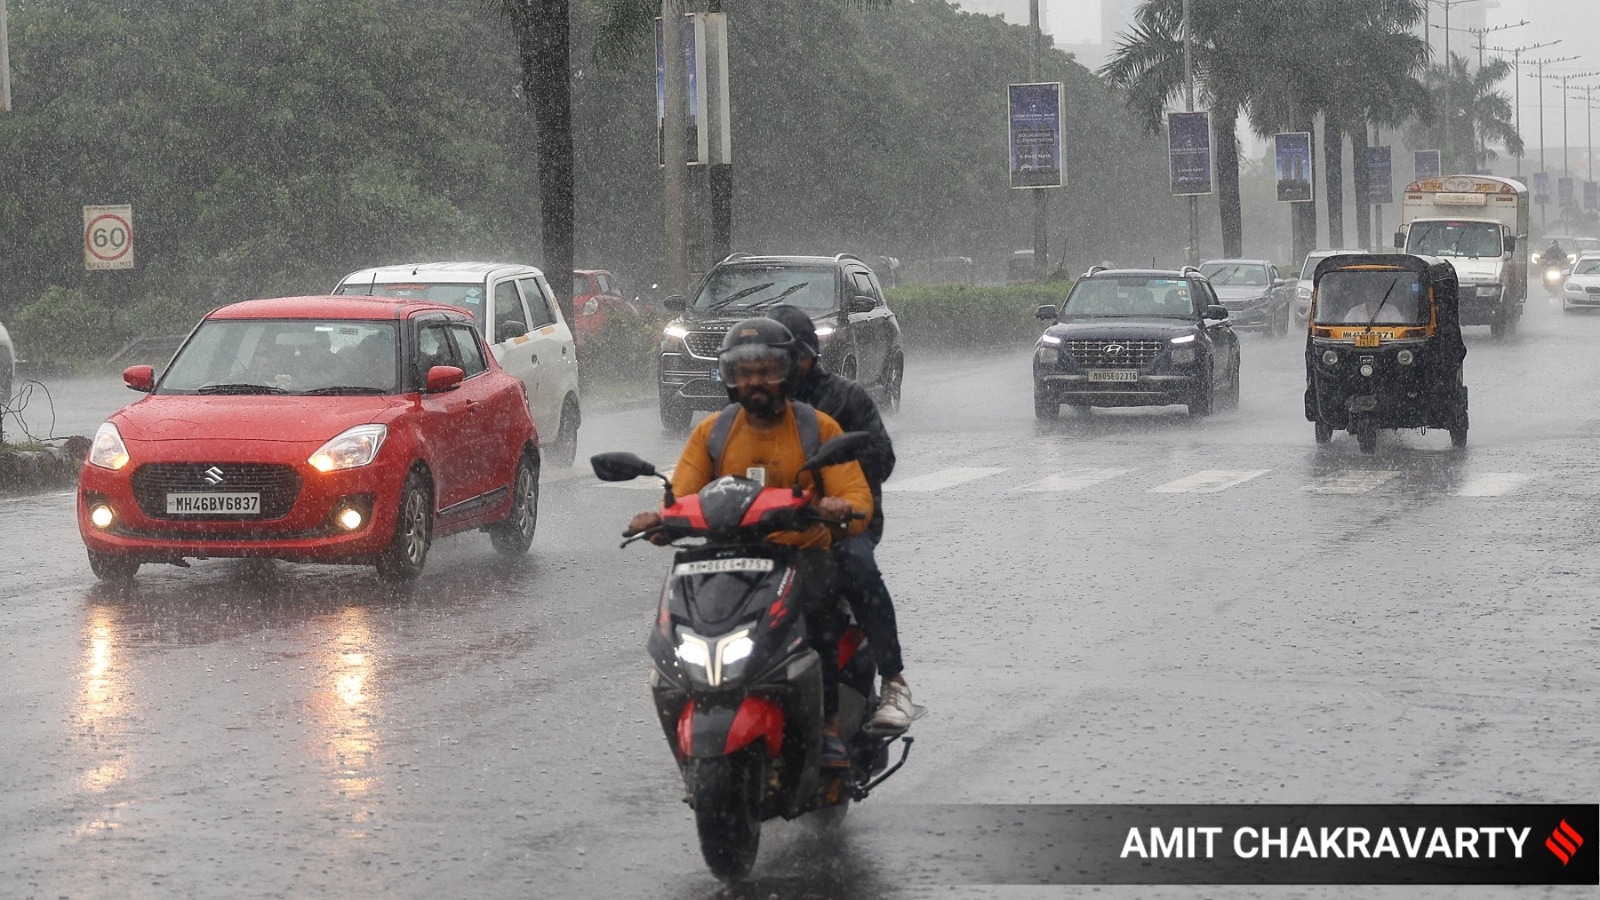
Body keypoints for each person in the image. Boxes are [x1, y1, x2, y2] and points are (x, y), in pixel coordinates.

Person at [627, 317, 874, 768]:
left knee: (819, 607)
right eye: (744, 372)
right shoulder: (712, 433)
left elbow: (856, 495)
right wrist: (660, 522)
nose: (755, 381)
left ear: (787, 372)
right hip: (725, 557)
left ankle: (830, 726)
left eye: (766, 370)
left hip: (799, 553)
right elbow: (680, 497)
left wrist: (840, 507)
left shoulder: (818, 429)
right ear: (729, 377)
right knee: (679, 619)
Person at [766, 305, 915, 733]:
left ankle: (894, 680)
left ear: (809, 355)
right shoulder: (752, 404)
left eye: (783, 356)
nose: (771, 369)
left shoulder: (845, 398)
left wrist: (836, 489)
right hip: (772, 524)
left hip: (839, 524)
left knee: (856, 567)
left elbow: (881, 460)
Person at [1342, 289, 1410, 324]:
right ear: (1365, 292)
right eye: (1370, 289)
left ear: (1382, 292)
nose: (1373, 293)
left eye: (1376, 290)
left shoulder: (1392, 311)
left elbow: (1400, 333)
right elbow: (1344, 333)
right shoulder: (1354, 312)